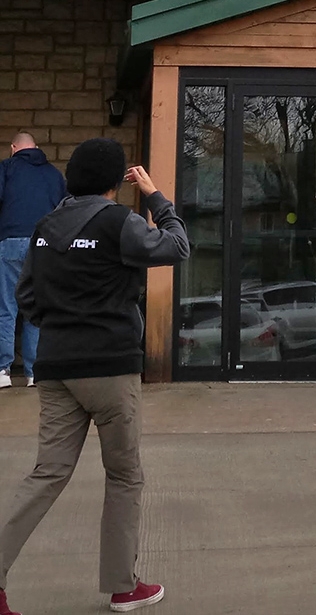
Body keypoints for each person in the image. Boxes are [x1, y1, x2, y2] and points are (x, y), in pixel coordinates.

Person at [0, 138, 190, 615]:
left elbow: (27, 297)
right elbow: (177, 246)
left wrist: (63, 324)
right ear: (115, 180)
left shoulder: (44, 227)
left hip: (56, 367)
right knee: (124, 476)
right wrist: (154, 196)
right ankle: (123, 588)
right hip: (109, 368)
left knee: (46, 474)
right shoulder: (118, 222)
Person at [0, 131, 66, 390]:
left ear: (13, 147)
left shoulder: (6, 168)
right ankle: (33, 372)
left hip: (11, 241)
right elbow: (63, 210)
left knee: (6, 308)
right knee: (36, 310)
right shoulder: (53, 174)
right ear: (36, 148)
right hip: (44, 244)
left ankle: (3, 371)